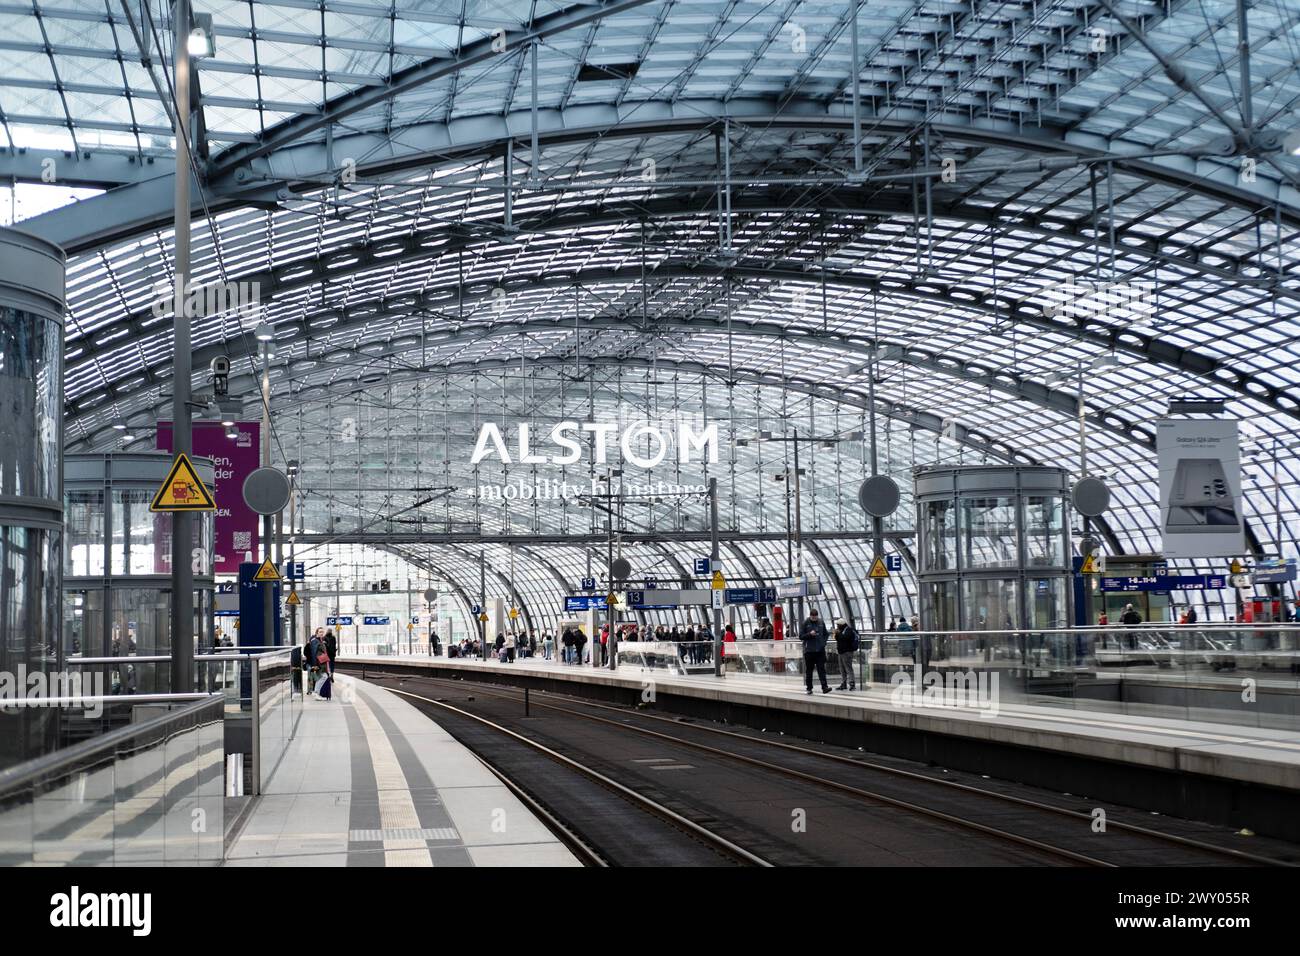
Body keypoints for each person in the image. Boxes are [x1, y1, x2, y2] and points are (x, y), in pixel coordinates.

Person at [800, 609, 831, 694]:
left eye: (815, 617)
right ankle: (809, 688)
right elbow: (801, 636)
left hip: (820, 650)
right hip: (809, 651)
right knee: (809, 670)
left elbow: (826, 634)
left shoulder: (821, 622)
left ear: (817, 616)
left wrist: (823, 643)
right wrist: (810, 634)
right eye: (813, 617)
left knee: (821, 669)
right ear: (810, 616)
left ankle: (825, 687)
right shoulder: (805, 623)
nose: (814, 619)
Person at [833, 618, 859, 691]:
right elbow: (839, 639)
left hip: (847, 652)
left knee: (848, 668)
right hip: (841, 652)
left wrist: (838, 633)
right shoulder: (841, 630)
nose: (837, 626)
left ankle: (852, 683)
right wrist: (837, 634)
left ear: (842, 624)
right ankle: (843, 683)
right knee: (842, 669)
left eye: (838, 625)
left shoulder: (848, 630)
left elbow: (845, 638)